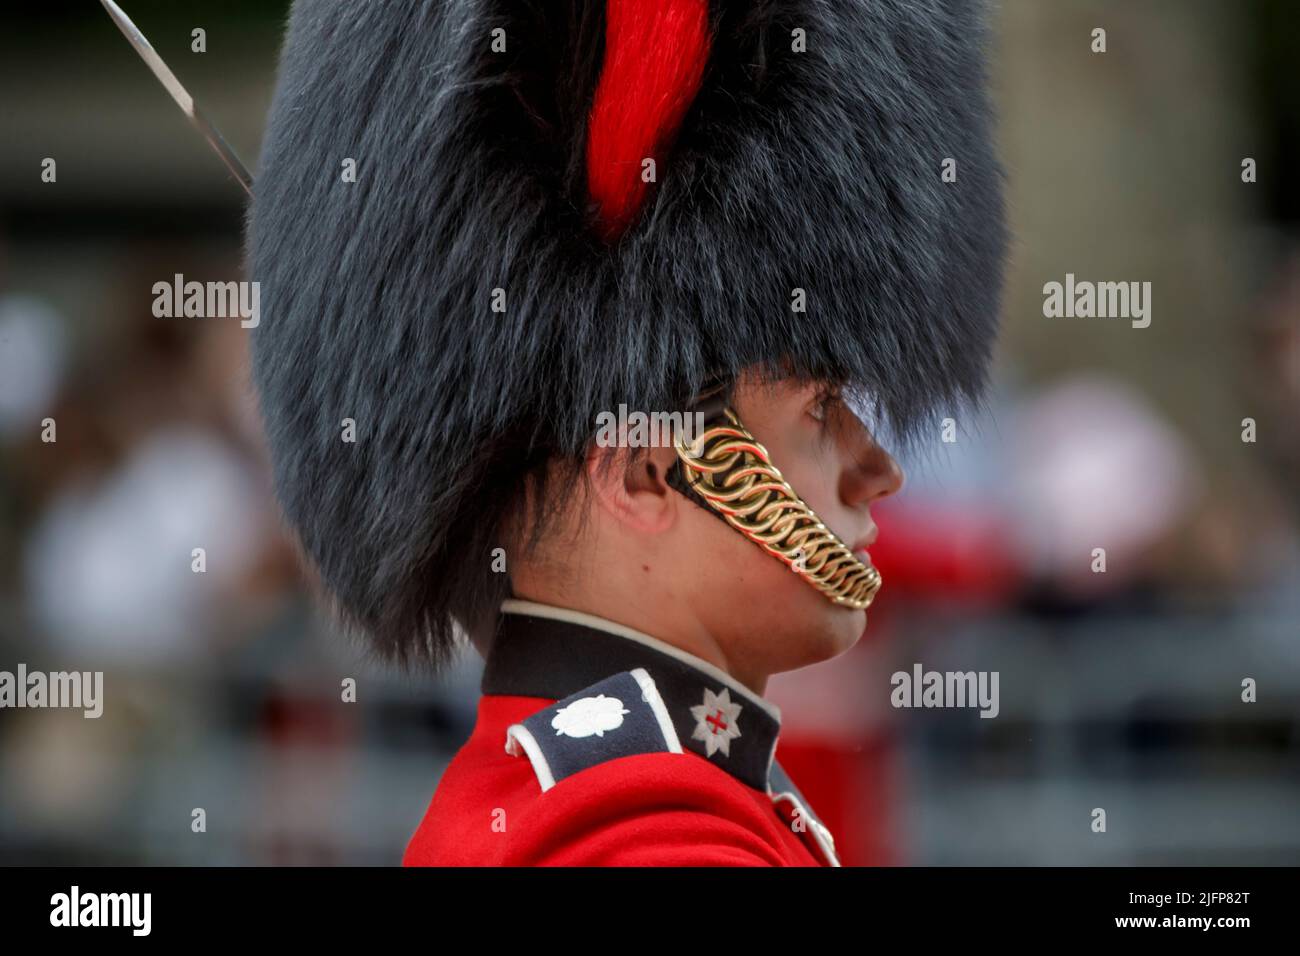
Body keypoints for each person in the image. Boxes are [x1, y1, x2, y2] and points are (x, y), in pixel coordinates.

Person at [247, 0, 1006, 865]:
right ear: (645, 467)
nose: (878, 469)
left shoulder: (577, 801)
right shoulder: (654, 842)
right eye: (821, 410)